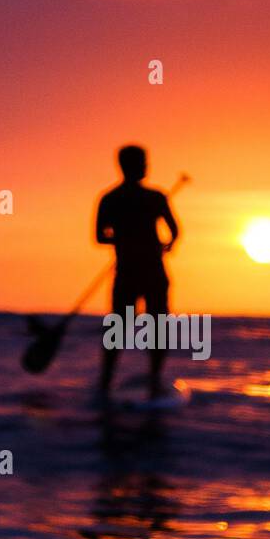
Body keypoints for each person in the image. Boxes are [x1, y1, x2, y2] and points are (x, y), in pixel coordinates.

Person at [95, 145, 179, 398]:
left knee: (140, 327)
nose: (146, 166)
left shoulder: (111, 198)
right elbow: (175, 232)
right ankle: (124, 382)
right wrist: (162, 243)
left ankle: (109, 384)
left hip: (139, 273)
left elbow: (101, 237)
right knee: (141, 327)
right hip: (142, 272)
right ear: (128, 165)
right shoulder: (153, 197)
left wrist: (123, 240)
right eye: (142, 162)